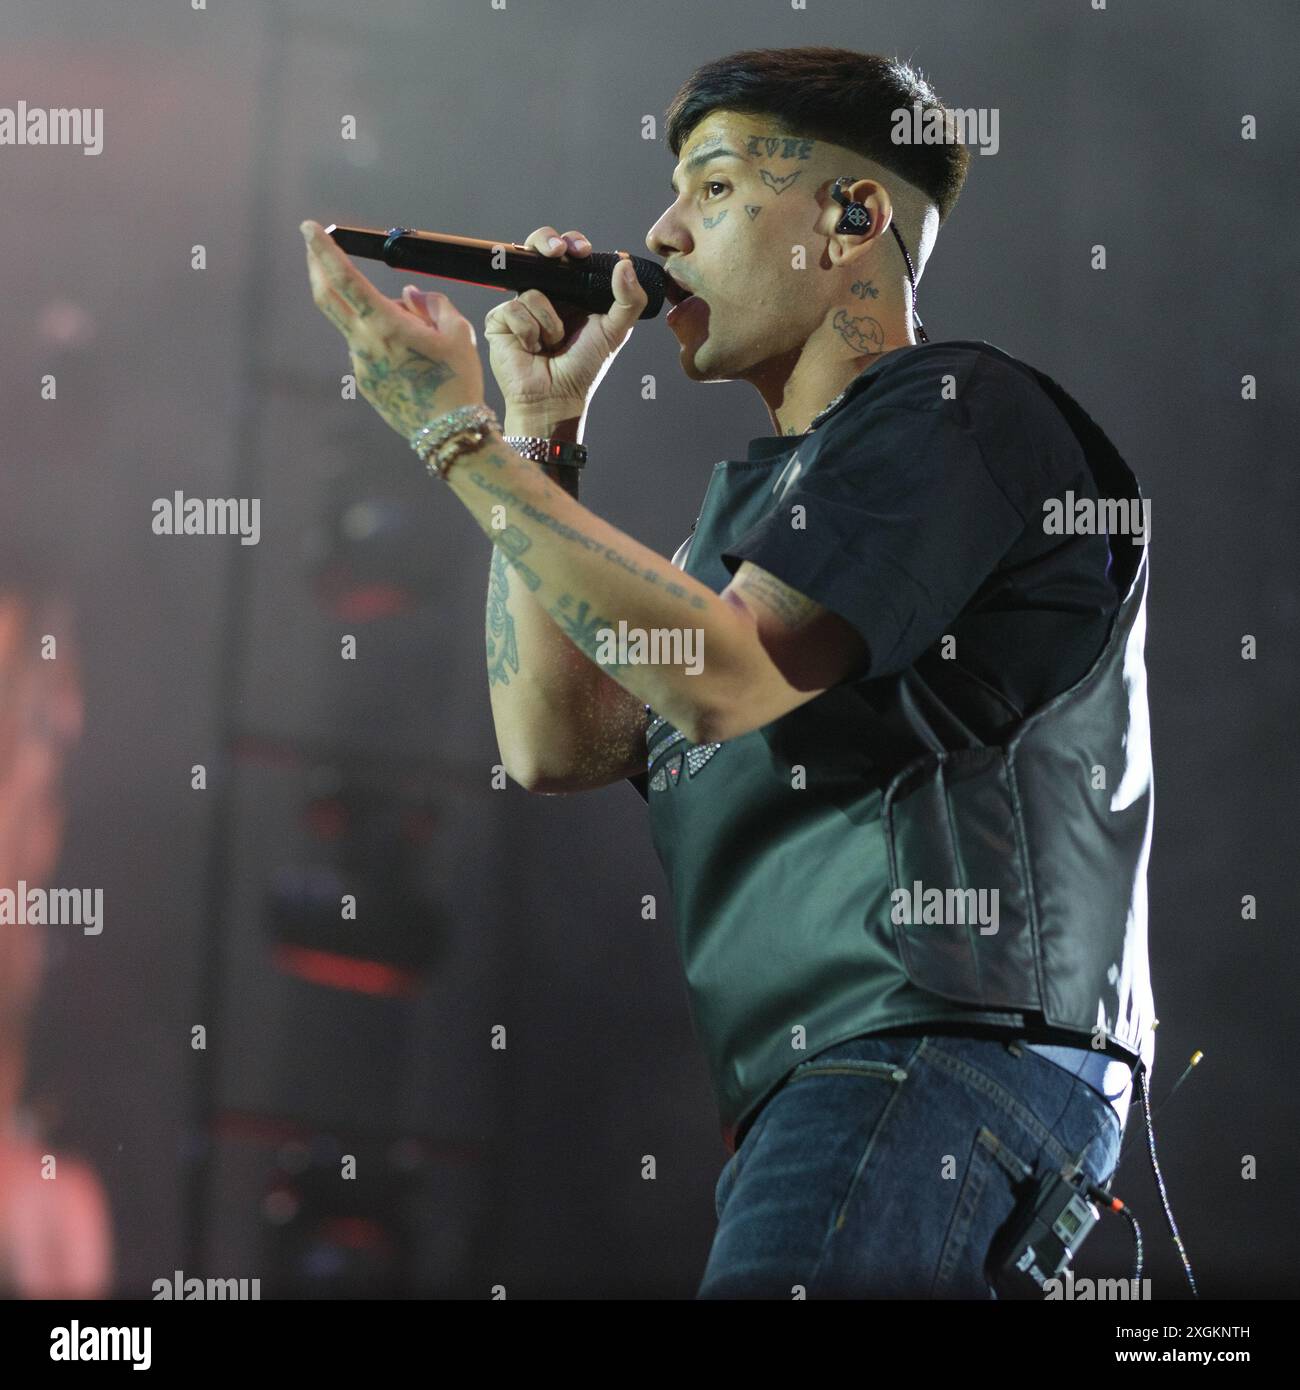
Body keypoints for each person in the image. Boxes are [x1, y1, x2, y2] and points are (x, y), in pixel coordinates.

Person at [302, 45, 1156, 1299]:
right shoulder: (741, 536)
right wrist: (536, 435)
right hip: (839, 1087)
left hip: (930, 1057)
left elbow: (724, 678)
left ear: (851, 216)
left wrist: (452, 437)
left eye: (709, 188)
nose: (658, 232)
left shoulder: (954, 411)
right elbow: (557, 745)